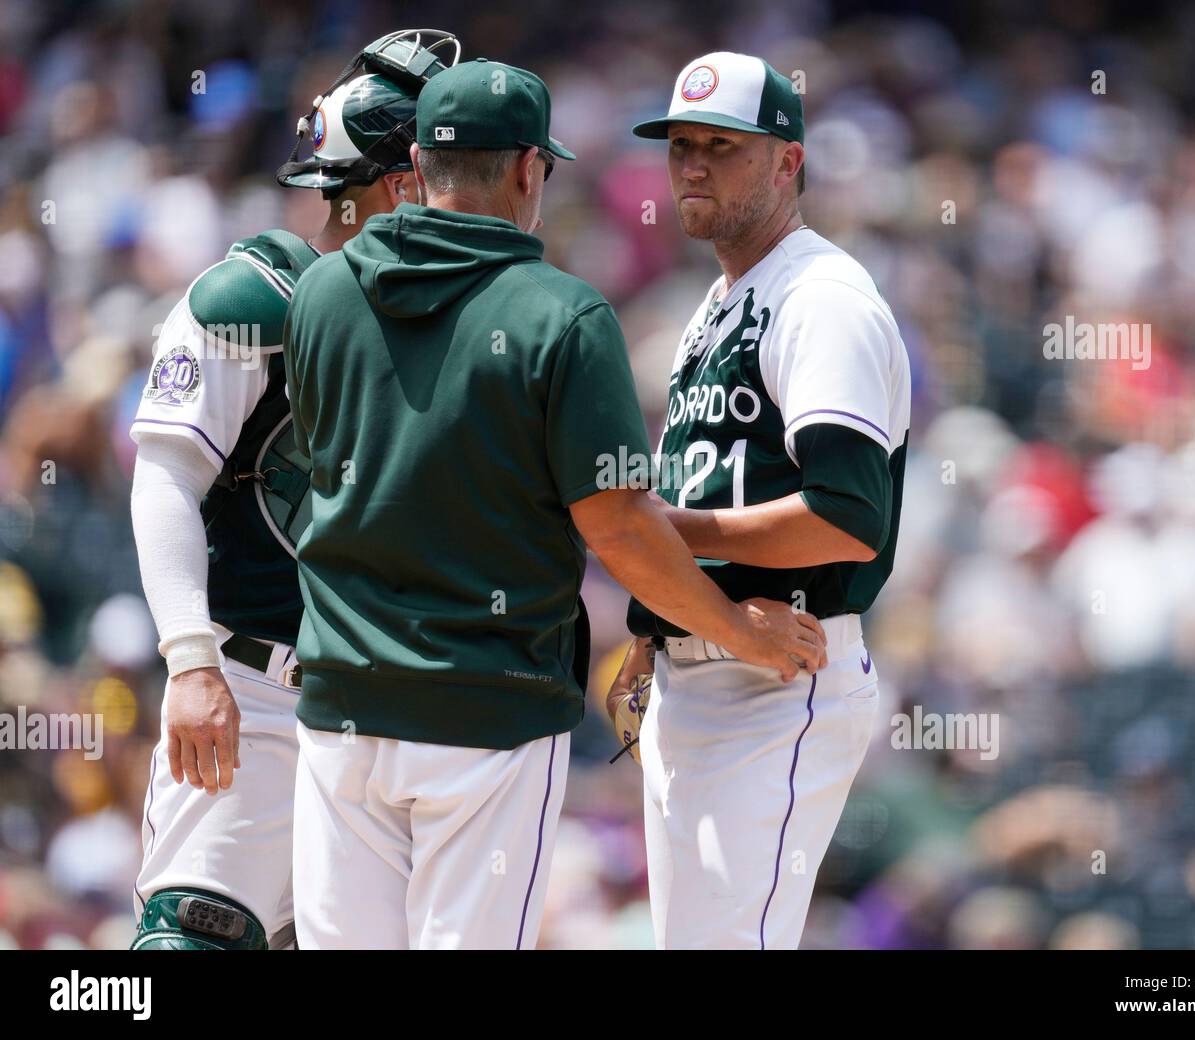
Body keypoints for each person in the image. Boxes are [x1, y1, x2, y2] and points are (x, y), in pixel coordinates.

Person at [281, 57, 824, 950]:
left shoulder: (322, 292)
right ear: (531, 170)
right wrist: (739, 628)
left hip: (339, 703)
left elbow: (328, 466)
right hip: (487, 711)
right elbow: (615, 523)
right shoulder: (561, 315)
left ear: (416, 162)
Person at [128, 29, 462, 950]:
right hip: (259, 688)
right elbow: (164, 478)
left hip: (395, 703)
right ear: (400, 184)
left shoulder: (473, 317)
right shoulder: (260, 293)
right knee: (192, 942)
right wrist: (192, 659)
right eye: (448, 167)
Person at [607, 51, 913, 949]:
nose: (692, 165)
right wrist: (655, 614)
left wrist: (666, 537)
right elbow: (701, 476)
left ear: (789, 161)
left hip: (779, 675)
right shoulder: (716, 301)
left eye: (722, 146)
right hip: (698, 668)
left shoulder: (821, 298)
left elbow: (849, 520)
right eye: (681, 145)